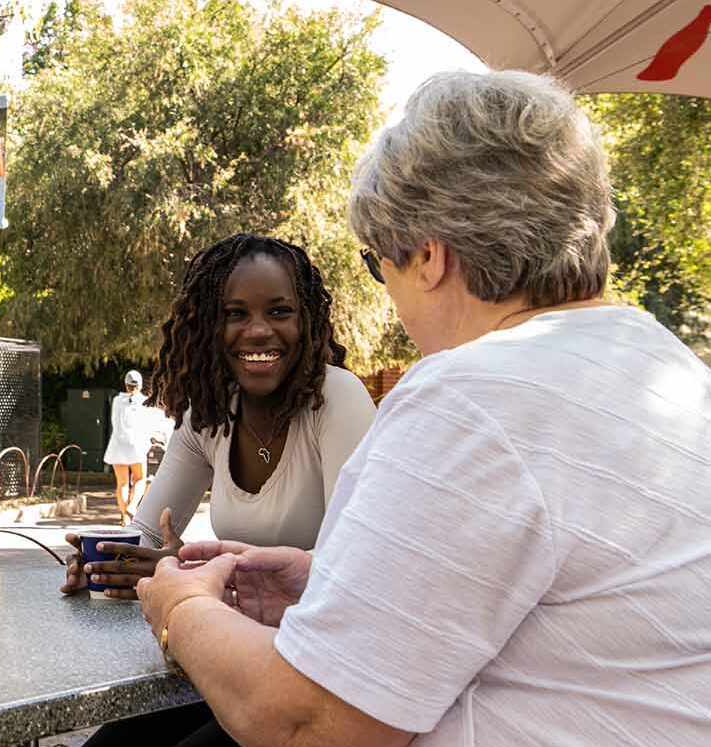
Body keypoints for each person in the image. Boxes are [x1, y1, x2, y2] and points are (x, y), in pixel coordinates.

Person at [140, 70, 711, 747]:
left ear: (430, 257)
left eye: (376, 262)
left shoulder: (469, 395)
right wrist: (329, 582)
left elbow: (306, 724)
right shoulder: (668, 369)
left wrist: (180, 608)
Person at [63, 233, 377, 747]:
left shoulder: (337, 399)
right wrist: (105, 563)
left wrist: (189, 572)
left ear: (306, 321)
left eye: (279, 311)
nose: (258, 330)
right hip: (236, 649)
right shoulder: (208, 413)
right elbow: (148, 534)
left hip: (322, 676)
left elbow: (356, 569)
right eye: (235, 314)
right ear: (210, 324)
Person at [103, 369, 159, 526]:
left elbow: (115, 421)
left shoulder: (117, 401)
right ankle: (132, 507)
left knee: (122, 483)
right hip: (136, 445)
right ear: (140, 385)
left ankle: (125, 519)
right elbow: (149, 425)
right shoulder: (145, 402)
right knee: (140, 479)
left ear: (125, 384)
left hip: (117, 445)